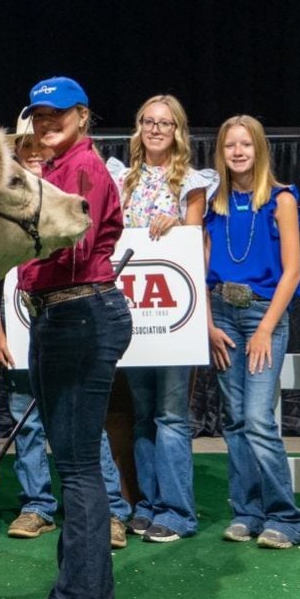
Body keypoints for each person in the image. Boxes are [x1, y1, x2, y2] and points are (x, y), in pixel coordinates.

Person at [9, 76, 130, 599]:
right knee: (73, 465)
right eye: (38, 114)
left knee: (79, 469)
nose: (46, 122)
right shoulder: (57, 171)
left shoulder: (79, 172)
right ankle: (72, 597)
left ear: (82, 116)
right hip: (63, 314)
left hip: (81, 313)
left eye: (58, 113)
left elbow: (70, 247)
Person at [105, 95, 215, 542]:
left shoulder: (190, 182)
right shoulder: (122, 178)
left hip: (173, 314)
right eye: (147, 121)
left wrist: (177, 227)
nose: (154, 129)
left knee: (171, 414)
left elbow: (194, 240)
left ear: (177, 131)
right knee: (144, 413)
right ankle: (148, 505)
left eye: (164, 124)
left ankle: (178, 511)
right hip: (134, 312)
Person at [204, 115, 300, 549]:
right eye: (230, 146)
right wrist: (207, 325)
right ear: (221, 153)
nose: (239, 152)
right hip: (222, 315)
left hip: (262, 314)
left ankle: (286, 516)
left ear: (260, 148)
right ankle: (247, 511)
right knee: (233, 419)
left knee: (258, 419)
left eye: (246, 144)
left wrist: (265, 328)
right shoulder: (213, 202)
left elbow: (292, 271)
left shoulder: (281, 199)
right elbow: (199, 266)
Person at [0, 120, 58, 542]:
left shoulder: (68, 189)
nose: (34, 151)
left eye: (40, 144)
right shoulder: (5, 198)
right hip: (19, 322)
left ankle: (108, 507)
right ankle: (36, 505)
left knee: (77, 415)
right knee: (25, 416)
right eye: (26, 145)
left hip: (65, 317)